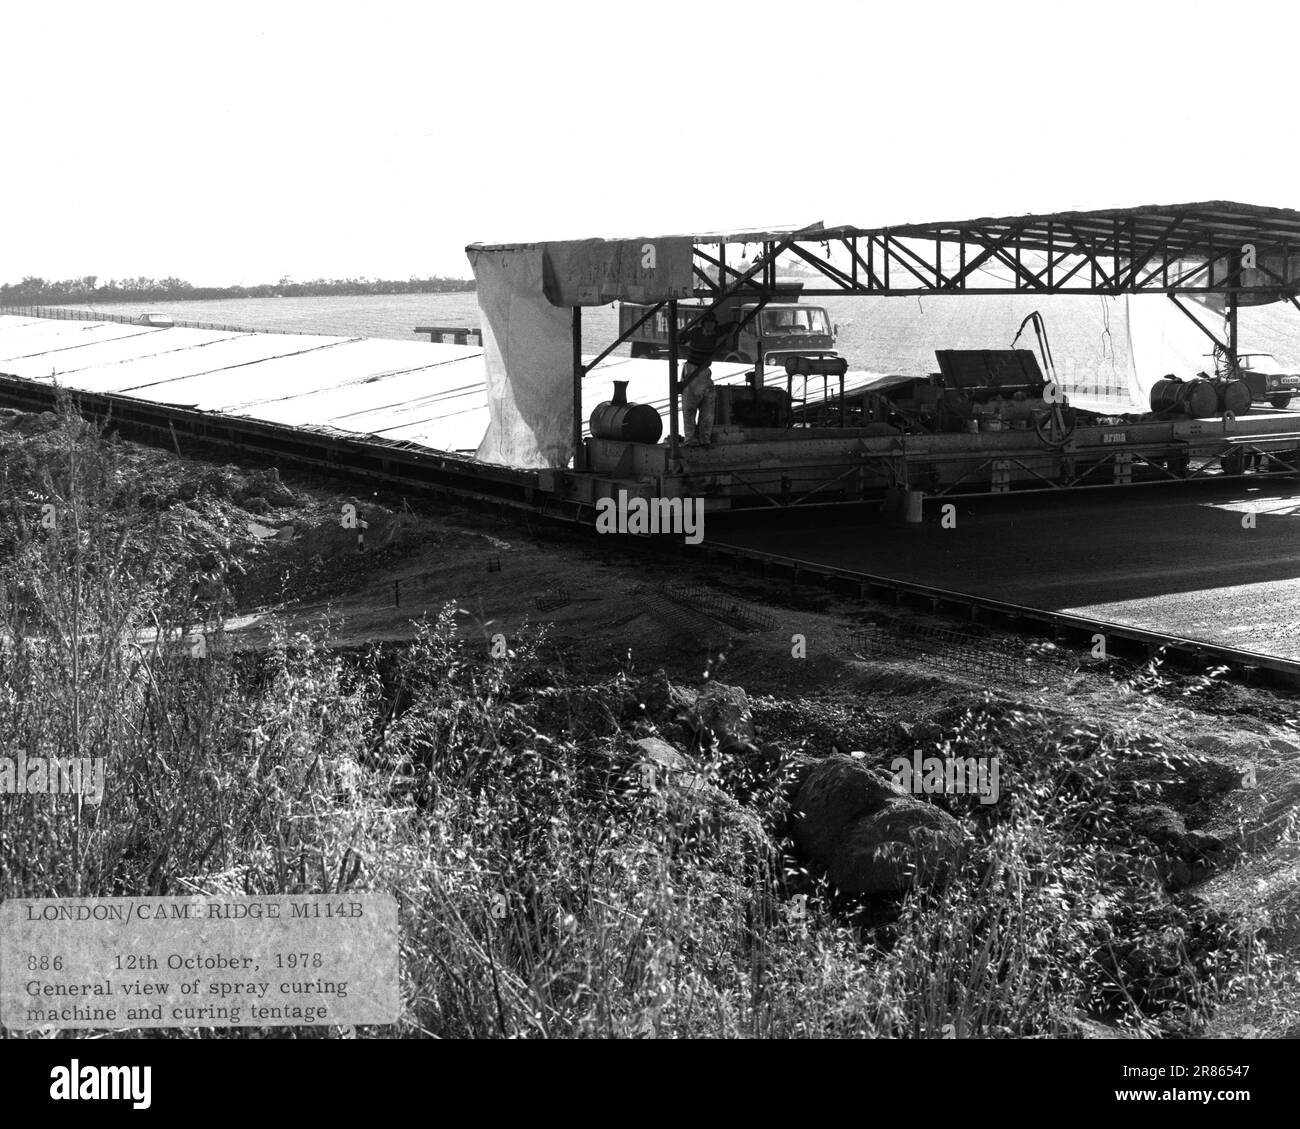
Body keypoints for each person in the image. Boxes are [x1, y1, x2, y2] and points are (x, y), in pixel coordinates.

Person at [678, 310, 729, 446]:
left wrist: (732, 332)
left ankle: (704, 439)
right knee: (689, 408)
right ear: (703, 324)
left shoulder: (716, 333)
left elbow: (732, 326)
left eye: (712, 323)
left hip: (704, 372)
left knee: (708, 411)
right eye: (707, 323)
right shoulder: (695, 333)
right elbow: (680, 338)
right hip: (692, 370)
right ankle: (690, 439)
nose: (710, 326)